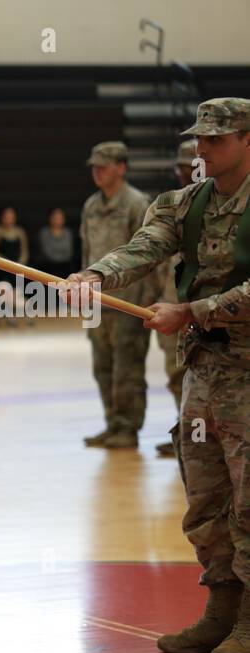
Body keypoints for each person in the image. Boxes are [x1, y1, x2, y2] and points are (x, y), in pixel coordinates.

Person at [67, 98, 250, 653]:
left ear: (247, 139)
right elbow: (144, 249)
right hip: (204, 371)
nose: (202, 149)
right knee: (206, 499)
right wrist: (95, 274)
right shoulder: (186, 203)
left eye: (215, 140)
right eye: (199, 139)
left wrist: (192, 311)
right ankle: (221, 609)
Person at [77, 141, 163, 450]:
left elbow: (150, 256)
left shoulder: (138, 204)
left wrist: (146, 300)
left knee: (127, 368)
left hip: (128, 302)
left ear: (121, 167)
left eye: (104, 165)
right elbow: (87, 251)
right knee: (102, 367)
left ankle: (127, 428)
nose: (97, 171)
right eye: (94, 166)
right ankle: (112, 422)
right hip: (96, 303)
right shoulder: (91, 206)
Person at [153, 139, 201, 458]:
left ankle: (198, 438)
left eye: (188, 168)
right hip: (172, 306)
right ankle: (186, 431)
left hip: (205, 312)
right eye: (180, 169)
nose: (183, 175)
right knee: (176, 374)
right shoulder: (173, 207)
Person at [0, 205, 30, 326]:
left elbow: (24, 251)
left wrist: (20, 264)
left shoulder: (19, 232)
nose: (9, 219)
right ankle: (9, 310)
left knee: (18, 294)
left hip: (16, 270)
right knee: (6, 291)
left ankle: (20, 306)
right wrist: (7, 264)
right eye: (7, 216)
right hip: (0, 269)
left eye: (12, 216)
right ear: (1, 217)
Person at [35, 206, 75, 276]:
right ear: (50, 218)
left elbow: (69, 252)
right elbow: (47, 253)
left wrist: (61, 262)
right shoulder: (44, 233)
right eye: (56, 218)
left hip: (65, 267)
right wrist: (57, 261)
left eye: (60, 218)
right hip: (48, 267)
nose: (58, 221)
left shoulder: (68, 232)